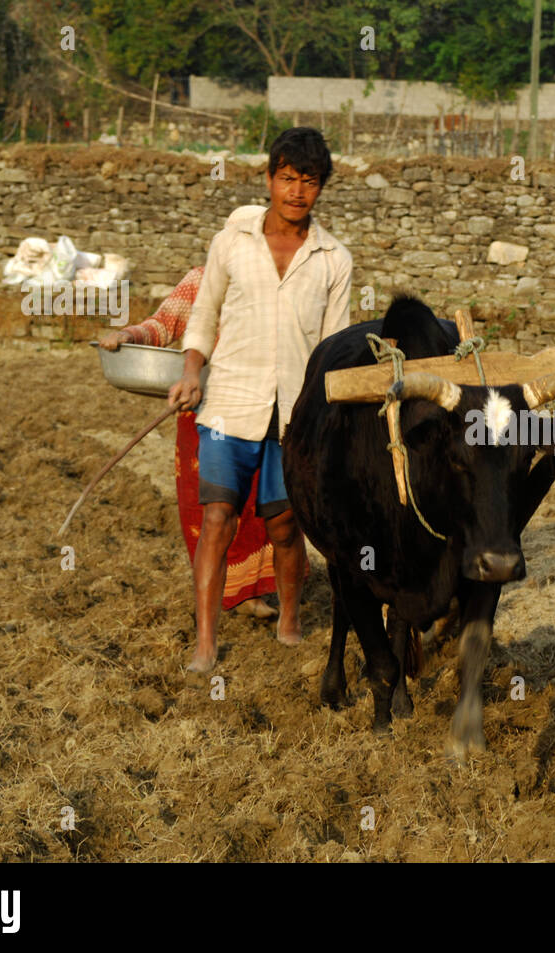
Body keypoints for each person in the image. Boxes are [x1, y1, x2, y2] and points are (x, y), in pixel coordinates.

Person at [169, 128, 353, 673]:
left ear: (321, 189)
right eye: (288, 178)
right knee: (219, 515)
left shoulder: (333, 259)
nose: (296, 192)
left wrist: (331, 416)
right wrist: (191, 372)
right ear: (270, 178)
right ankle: (205, 643)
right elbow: (204, 314)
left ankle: (290, 618)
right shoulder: (232, 242)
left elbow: (333, 345)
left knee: (285, 523)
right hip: (229, 400)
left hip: (296, 416)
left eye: (309, 182)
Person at [98, 245, 291, 622]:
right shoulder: (199, 282)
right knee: (211, 502)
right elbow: (163, 324)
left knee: (257, 499)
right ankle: (227, 591)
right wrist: (127, 335)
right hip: (205, 408)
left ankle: (252, 589)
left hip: (259, 406)